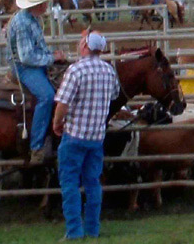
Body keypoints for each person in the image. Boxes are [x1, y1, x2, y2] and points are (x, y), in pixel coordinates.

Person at [52, 31, 119, 240]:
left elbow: (63, 102)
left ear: (85, 47)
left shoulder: (76, 70)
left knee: (69, 183)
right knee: (93, 182)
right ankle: (92, 229)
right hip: (96, 136)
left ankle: (74, 231)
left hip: (74, 135)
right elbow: (115, 94)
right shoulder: (109, 71)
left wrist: (57, 122)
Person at [6, 0, 65, 164]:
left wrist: (52, 55)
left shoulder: (32, 19)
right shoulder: (23, 23)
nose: (47, 5)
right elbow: (26, 56)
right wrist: (51, 58)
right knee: (47, 96)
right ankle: (37, 146)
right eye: (45, 2)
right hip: (23, 67)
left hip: (32, 64)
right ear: (39, 4)